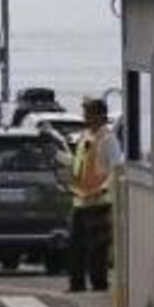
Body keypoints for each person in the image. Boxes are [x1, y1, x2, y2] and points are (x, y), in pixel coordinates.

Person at [65, 96, 123, 293]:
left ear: (100, 115)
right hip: (81, 199)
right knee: (76, 245)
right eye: (85, 113)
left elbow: (116, 168)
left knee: (97, 248)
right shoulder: (85, 136)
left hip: (98, 201)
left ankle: (98, 283)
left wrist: (104, 188)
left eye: (88, 113)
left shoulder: (107, 139)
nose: (85, 117)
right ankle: (76, 283)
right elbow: (79, 164)